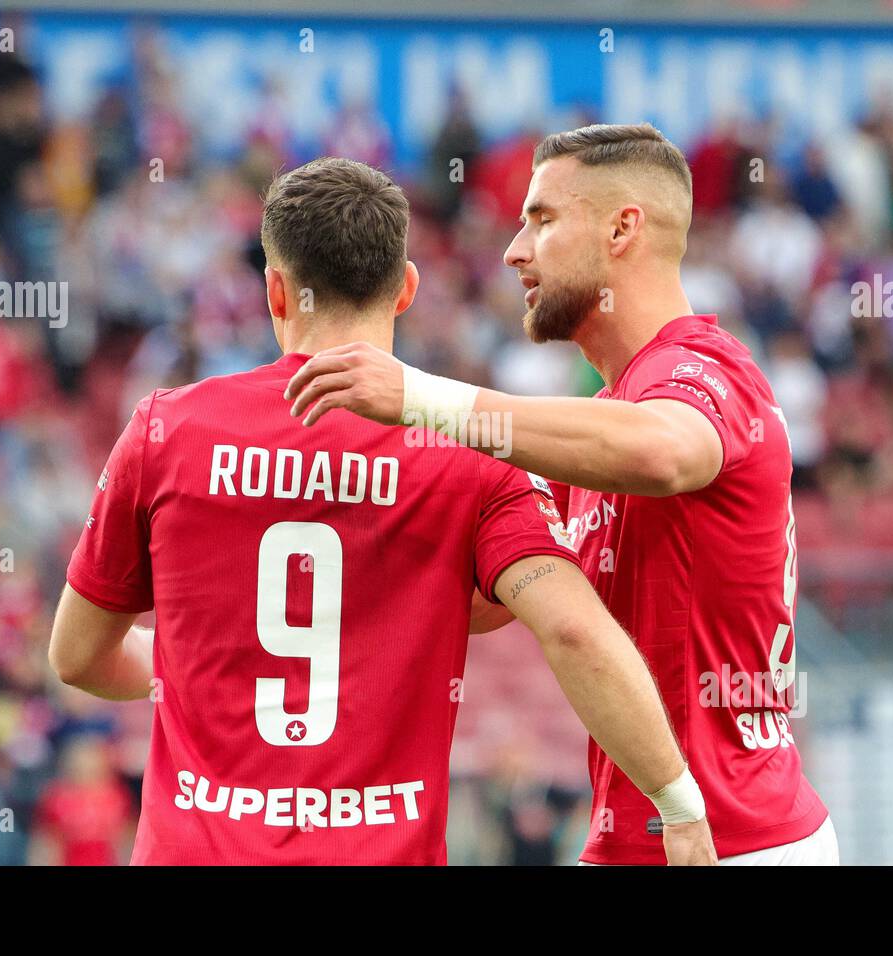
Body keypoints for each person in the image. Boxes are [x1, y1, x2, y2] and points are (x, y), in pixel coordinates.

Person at [49, 157, 714, 865]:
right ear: (406, 290)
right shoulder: (474, 452)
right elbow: (576, 633)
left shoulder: (166, 430)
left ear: (276, 292)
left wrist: (192, 657)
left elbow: (77, 656)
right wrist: (678, 803)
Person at [285, 125, 836, 865]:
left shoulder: (706, 369)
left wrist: (421, 397)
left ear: (622, 228)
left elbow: (664, 451)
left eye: (542, 219)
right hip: (652, 837)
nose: (515, 250)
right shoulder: (608, 415)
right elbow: (490, 603)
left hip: (729, 842)